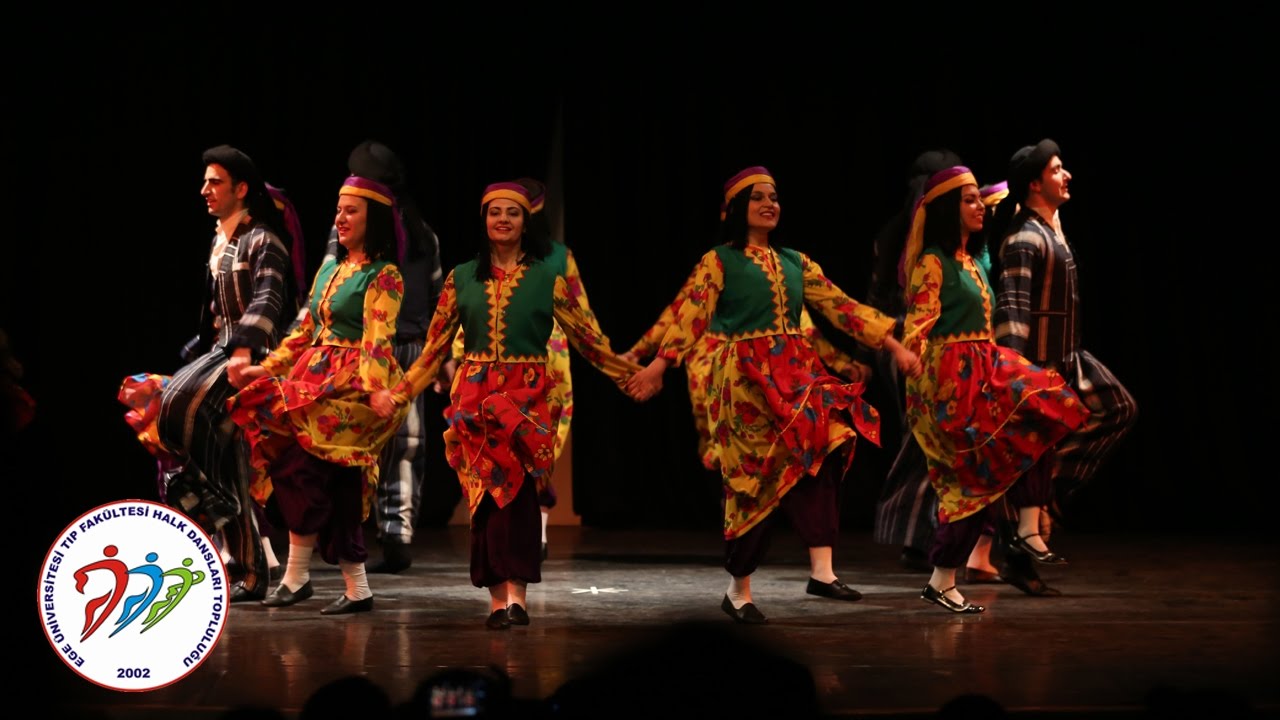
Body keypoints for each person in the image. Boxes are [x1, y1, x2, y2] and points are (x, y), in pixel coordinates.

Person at [626, 166, 919, 624]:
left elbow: (842, 307)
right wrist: (660, 366)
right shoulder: (718, 261)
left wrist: (895, 344)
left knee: (826, 445)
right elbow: (690, 315)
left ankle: (822, 572)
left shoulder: (796, 262)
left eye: (775, 197)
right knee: (751, 482)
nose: (769, 204)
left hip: (797, 376)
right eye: (759, 197)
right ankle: (738, 589)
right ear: (740, 208)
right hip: (745, 382)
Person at [372, 181, 640, 629]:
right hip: (475, 400)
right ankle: (497, 601)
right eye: (495, 212)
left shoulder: (547, 278)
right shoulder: (461, 277)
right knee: (486, 503)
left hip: (529, 401)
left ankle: (519, 598)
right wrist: (398, 394)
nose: (503, 220)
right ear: (484, 220)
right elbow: (434, 351)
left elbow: (589, 342)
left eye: (512, 213)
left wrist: (630, 376)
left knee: (519, 504)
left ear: (525, 221)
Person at [900, 166, 1089, 613]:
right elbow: (919, 325)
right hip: (950, 380)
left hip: (986, 368)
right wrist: (912, 360)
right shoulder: (934, 262)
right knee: (972, 485)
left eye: (977, 200)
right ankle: (943, 579)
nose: (978, 207)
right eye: (968, 201)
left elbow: (995, 201)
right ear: (949, 209)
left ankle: (1023, 529)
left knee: (1048, 407)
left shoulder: (974, 259)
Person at [118, 145, 296, 603]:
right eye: (205, 181)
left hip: (254, 354)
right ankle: (245, 564)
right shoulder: (223, 240)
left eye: (214, 182)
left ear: (241, 189)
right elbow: (216, 310)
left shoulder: (262, 241)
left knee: (186, 405)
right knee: (183, 418)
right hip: (221, 349)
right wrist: (199, 348)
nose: (204, 190)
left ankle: (207, 503)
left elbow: (269, 301)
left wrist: (243, 348)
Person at [228, 174, 409, 615]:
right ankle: (355, 588)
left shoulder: (383, 276)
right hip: (315, 380)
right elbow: (306, 329)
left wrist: (373, 389)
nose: (340, 218)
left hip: (351, 389)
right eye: (339, 209)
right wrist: (264, 367)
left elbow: (377, 340)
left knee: (302, 468)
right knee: (337, 482)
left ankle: (297, 576)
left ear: (375, 218)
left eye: (352, 210)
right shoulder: (331, 269)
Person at [991, 139, 1138, 586]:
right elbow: (1012, 308)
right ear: (1035, 184)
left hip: (1068, 355)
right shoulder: (1023, 238)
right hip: (1039, 363)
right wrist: (1016, 369)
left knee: (1117, 407)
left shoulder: (1051, 225)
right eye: (1057, 169)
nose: (1067, 174)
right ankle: (1018, 548)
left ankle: (1047, 497)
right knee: (1028, 454)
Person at [306, 141, 447, 575]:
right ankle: (389, 535)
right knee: (399, 443)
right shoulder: (421, 231)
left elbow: (438, 295)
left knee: (383, 442)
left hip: (384, 345)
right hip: (395, 342)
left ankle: (383, 538)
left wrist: (442, 357)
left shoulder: (415, 234)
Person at [866, 150, 964, 574]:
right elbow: (880, 297)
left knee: (924, 434)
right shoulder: (910, 234)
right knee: (926, 435)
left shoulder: (907, 230)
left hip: (903, 343)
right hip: (911, 342)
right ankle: (919, 536)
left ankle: (922, 537)